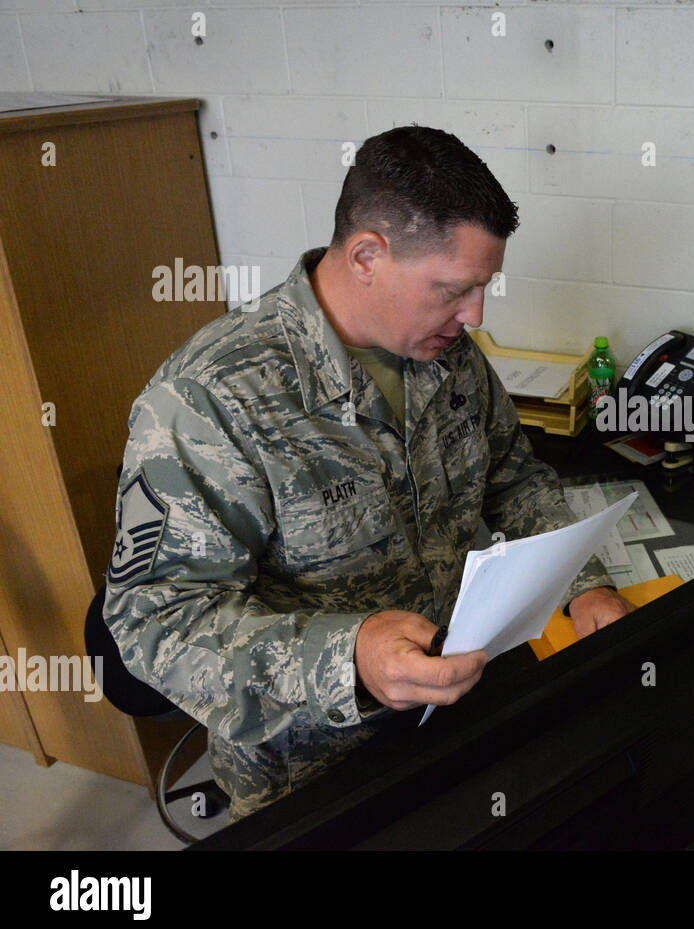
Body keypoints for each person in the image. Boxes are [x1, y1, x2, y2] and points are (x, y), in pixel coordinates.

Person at [104, 126, 633, 819]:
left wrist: (583, 587)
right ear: (366, 257)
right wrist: (348, 655)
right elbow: (153, 622)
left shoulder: (448, 354)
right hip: (314, 774)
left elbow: (514, 477)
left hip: (455, 716)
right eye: (454, 289)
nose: (475, 315)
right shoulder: (209, 400)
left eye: (483, 288)